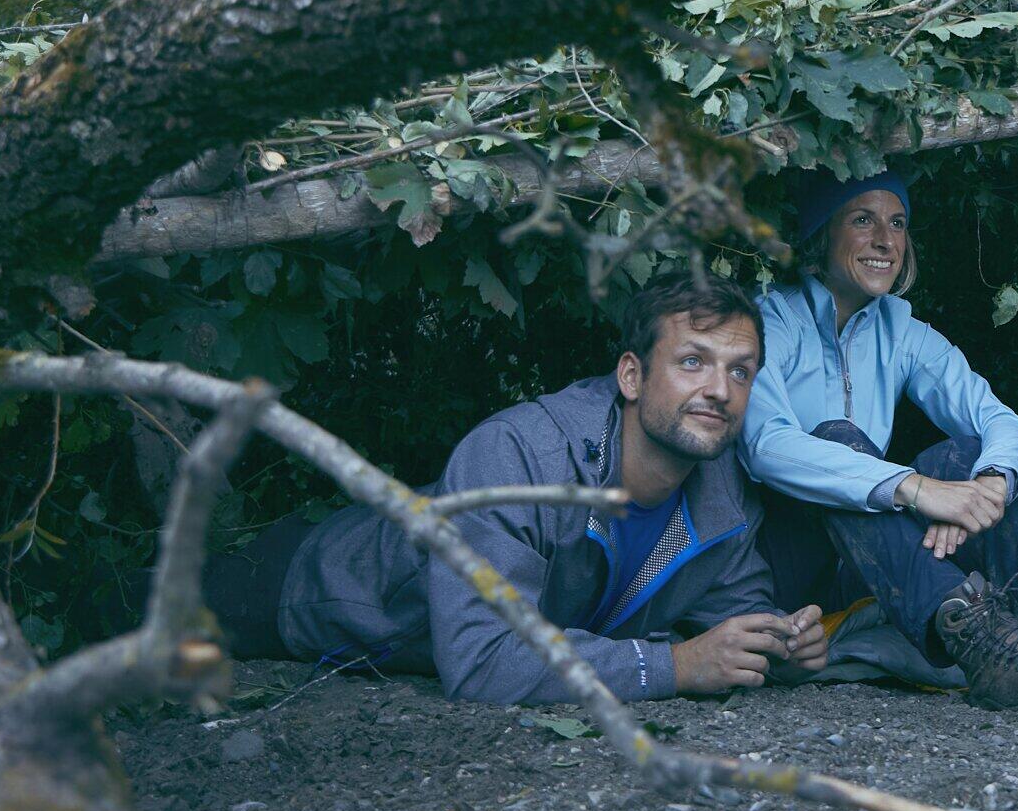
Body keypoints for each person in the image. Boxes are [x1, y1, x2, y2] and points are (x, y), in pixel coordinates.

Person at [243, 269, 829, 705]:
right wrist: (673, 665)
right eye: (693, 362)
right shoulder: (518, 453)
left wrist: (782, 647)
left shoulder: (722, 492)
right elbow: (484, 659)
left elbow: (738, 613)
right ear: (632, 374)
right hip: (303, 584)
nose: (721, 390)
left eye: (739, 370)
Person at [739, 168, 1018, 718]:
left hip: (866, 564)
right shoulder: (771, 319)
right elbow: (765, 446)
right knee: (839, 442)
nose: (886, 241)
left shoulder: (901, 331)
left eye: (898, 223)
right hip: (782, 561)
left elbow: (998, 420)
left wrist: (987, 487)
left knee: (969, 451)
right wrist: (913, 488)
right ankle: (983, 645)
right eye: (863, 220)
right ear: (822, 234)